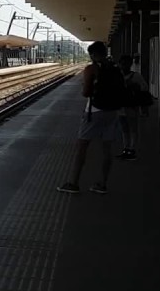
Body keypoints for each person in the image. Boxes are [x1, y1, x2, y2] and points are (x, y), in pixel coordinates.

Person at [58, 41, 125, 195]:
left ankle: (73, 183)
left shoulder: (91, 69)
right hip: (112, 112)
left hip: (94, 112)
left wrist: (88, 86)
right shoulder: (115, 69)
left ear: (94, 54)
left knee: (82, 147)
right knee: (107, 149)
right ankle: (102, 184)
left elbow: (86, 93)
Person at [117, 54, 149, 160]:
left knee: (130, 129)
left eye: (125, 64)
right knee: (126, 129)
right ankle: (127, 149)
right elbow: (145, 87)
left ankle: (131, 149)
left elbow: (144, 88)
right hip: (124, 106)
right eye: (122, 64)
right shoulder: (134, 76)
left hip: (129, 106)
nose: (123, 66)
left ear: (130, 64)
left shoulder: (134, 76)